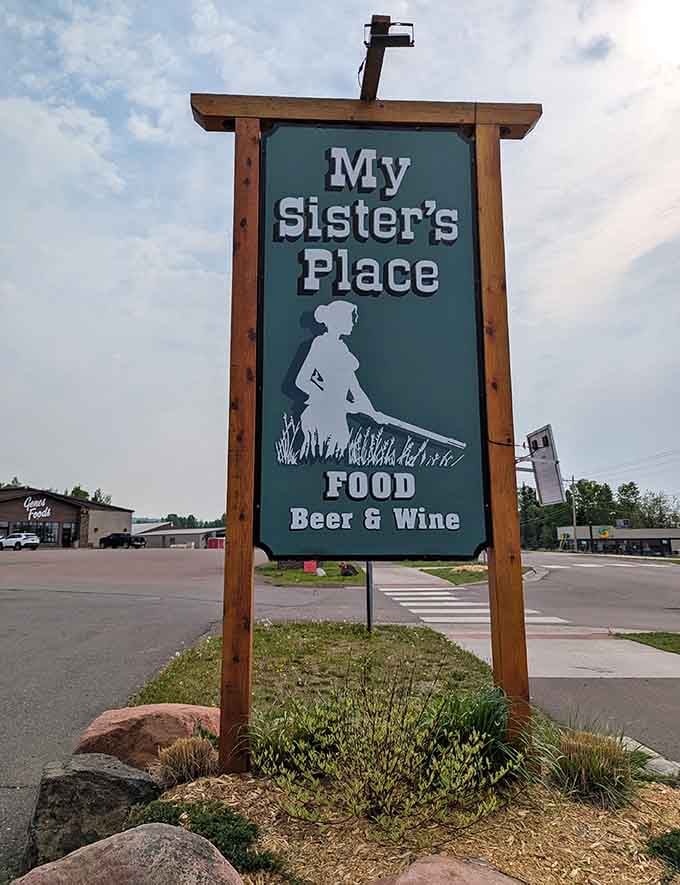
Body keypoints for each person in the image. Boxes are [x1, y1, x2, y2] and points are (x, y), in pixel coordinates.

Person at [295, 301, 385, 458]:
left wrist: (373, 413)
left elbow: (355, 389)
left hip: (337, 420)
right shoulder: (320, 344)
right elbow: (302, 380)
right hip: (319, 416)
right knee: (314, 458)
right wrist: (335, 401)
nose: (353, 323)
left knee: (337, 454)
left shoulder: (342, 349)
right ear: (339, 320)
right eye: (351, 318)